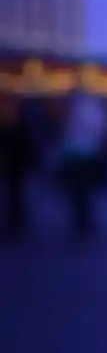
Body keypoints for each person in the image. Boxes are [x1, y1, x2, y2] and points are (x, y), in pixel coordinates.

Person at [60, 89, 107, 241]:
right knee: (86, 188)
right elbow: (105, 131)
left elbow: (64, 133)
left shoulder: (70, 111)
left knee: (77, 189)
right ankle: (86, 218)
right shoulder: (97, 111)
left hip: (73, 154)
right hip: (91, 153)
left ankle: (81, 219)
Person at [0, 92, 37, 241]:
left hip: (16, 165)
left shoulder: (21, 124)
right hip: (11, 163)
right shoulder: (17, 123)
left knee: (15, 194)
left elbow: (27, 145)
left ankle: (16, 221)